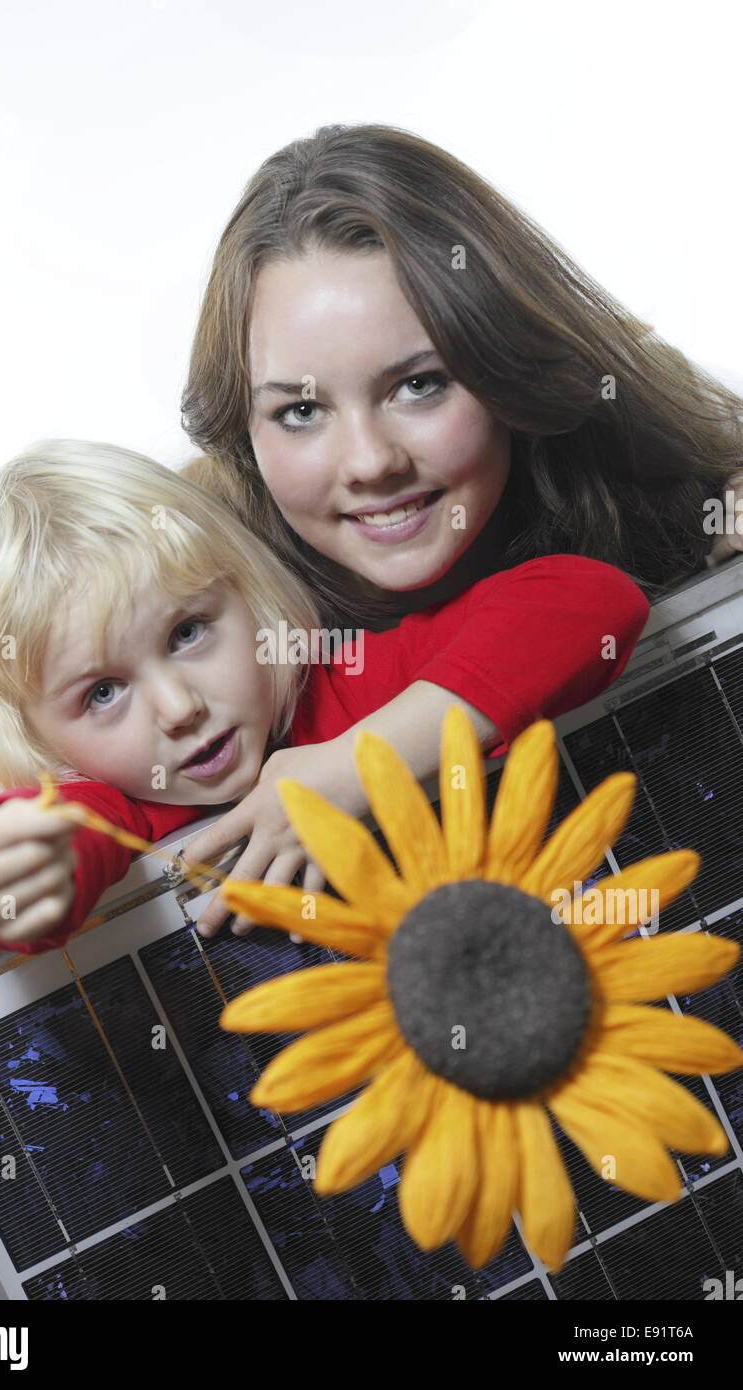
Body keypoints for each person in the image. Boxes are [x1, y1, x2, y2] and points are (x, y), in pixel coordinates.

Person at [177, 121, 743, 930]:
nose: (370, 461)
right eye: (300, 410)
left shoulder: (656, 490)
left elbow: (584, 604)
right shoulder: (206, 611)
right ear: (244, 430)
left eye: (419, 385)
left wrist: (350, 769)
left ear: (507, 363)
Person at [0, 440, 649, 954]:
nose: (178, 707)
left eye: (188, 632)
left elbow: (592, 602)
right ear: (42, 738)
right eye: (101, 693)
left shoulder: (354, 689)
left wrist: (356, 765)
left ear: (247, 592)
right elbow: (48, 854)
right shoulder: (127, 815)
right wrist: (25, 866)